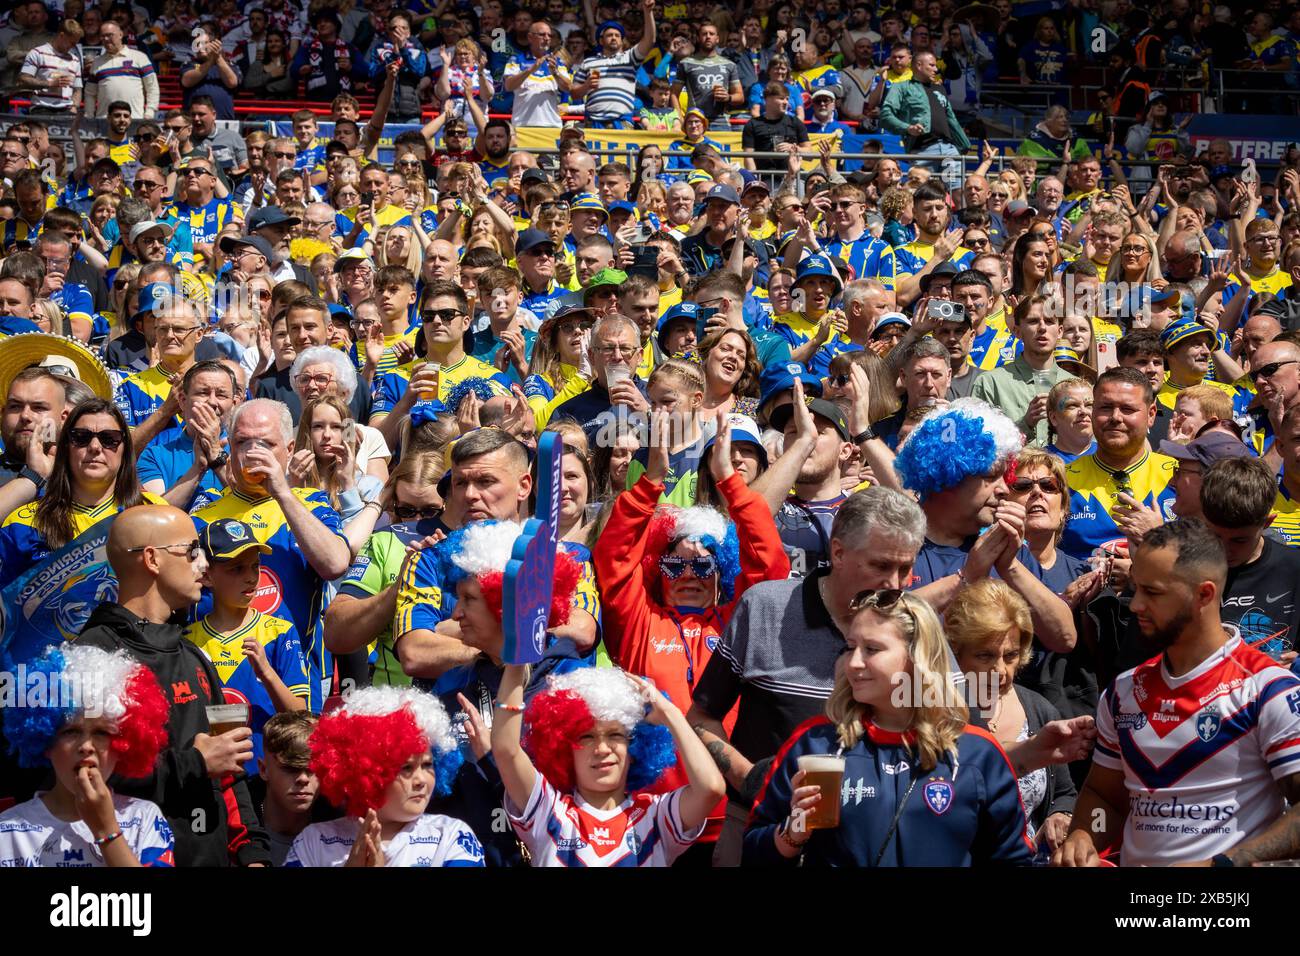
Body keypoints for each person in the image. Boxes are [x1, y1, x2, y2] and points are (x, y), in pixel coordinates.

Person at [1054, 519, 1300, 867]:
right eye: (1136, 589)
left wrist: (1225, 864)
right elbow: (1105, 798)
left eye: (1152, 593)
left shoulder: (1268, 688)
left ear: (1205, 594)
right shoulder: (1124, 692)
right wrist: (1084, 836)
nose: (1136, 604)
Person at [743, 589, 1033, 866]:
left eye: (872, 649)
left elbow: (1013, 859)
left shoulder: (978, 753)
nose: (854, 663)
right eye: (851, 647)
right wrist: (792, 833)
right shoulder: (815, 743)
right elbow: (752, 851)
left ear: (915, 659)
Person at [77, 504, 270, 867]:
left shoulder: (196, 658)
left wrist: (253, 853)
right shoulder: (92, 654)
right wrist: (195, 763)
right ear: (152, 559)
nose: (204, 565)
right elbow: (86, 772)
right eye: (192, 551)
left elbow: (230, 766)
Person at [190, 399, 351, 713]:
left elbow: (335, 564)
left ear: (289, 449)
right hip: (214, 678)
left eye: (265, 443)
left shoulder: (311, 503)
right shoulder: (203, 514)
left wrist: (282, 491)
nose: (252, 452)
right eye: (241, 442)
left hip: (293, 680)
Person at [493, 663, 725, 867]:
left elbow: (711, 789)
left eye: (615, 735)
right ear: (565, 750)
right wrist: (516, 662)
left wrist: (668, 712)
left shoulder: (656, 815)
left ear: (634, 748)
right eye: (586, 737)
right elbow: (507, 750)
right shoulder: (549, 811)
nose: (602, 749)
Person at [894, 399, 1076, 652]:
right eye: (990, 477)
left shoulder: (1005, 545)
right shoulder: (895, 544)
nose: (1004, 489)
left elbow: (1064, 638)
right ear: (947, 476)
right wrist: (966, 577)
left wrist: (1010, 567)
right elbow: (881, 625)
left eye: (1006, 476)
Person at [0, 643, 174, 868]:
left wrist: (107, 831)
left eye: (102, 732)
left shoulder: (144, 818)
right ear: (45, 740)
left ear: (124, 745)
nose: (86, 746)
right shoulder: (8, 829)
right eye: (70, 731)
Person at [285, 686, 483, 867]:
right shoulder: (315, 841)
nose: (421, 780)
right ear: (365, 772)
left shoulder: (451, 836)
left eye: (428, 765)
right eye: (406, 768)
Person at [0, 399, 164, 589]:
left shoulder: (156, 512)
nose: (95, 447)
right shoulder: (23, 523)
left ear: (124, 449)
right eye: (81, 437)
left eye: (109, 438)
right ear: (66, 448)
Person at [184, 518, 309, 764]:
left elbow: (301, 716)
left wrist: (266, 673)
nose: (251, 577)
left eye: (255, 566)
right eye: (236, 569)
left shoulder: (279, 631)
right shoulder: (189, 640)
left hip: (267, 771)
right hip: (213, 776)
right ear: (207, 575)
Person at [1060, 367, 1176, 560]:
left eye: (1127, 409)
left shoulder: (1180, 475)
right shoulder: (1060, 480)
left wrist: (1158, 539)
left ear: (1151, 414)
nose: (1115, 417)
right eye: (1105, 407)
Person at [1199, 457, 1300, 661]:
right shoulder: (1183, 568)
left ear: (1267, 523)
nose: (1225, 550)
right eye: (1216, 536)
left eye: (1239, 540)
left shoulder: (1294, 568)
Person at [970, 294, 1069, 445]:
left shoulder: (1075, 386)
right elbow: (977, 446)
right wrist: (1025, 424)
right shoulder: (990, 383)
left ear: (1060, 331)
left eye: (1049, 321)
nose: (1042, 328)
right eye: (1033, 321)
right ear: (1017, 332)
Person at [879, 51, 970, 189]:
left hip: (949, 149)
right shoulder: (901, 87)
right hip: (922, 151)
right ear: (919, 65)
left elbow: (951, 119)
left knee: (956, 191)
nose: (936, 69)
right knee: (919, 193)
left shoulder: (940, 88)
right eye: (932, 65)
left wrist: (963, 144)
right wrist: (908, 128)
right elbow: (885, 115)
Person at [257, 711, 321, 866]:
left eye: (314, 769)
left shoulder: (342, 826)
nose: (303, 779)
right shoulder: (235, 827)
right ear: (264, 770)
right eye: (291, 768)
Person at [83, 21, 160, 118]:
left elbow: (152, 87)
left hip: (134, 119)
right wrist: (89, 115)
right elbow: (90, 93)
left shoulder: (139, 57)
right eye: (103, 36)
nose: (106, 39)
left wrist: (150, 112)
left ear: (120, 35)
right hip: (104, 121)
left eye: (110, 35)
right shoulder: (97, 63)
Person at [1044, 377, 1096, 463]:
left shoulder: (1111, 455)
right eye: (1072, 405)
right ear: (1053, 417)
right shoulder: (1039, 463)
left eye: (1089, 405)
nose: (1083, 411)